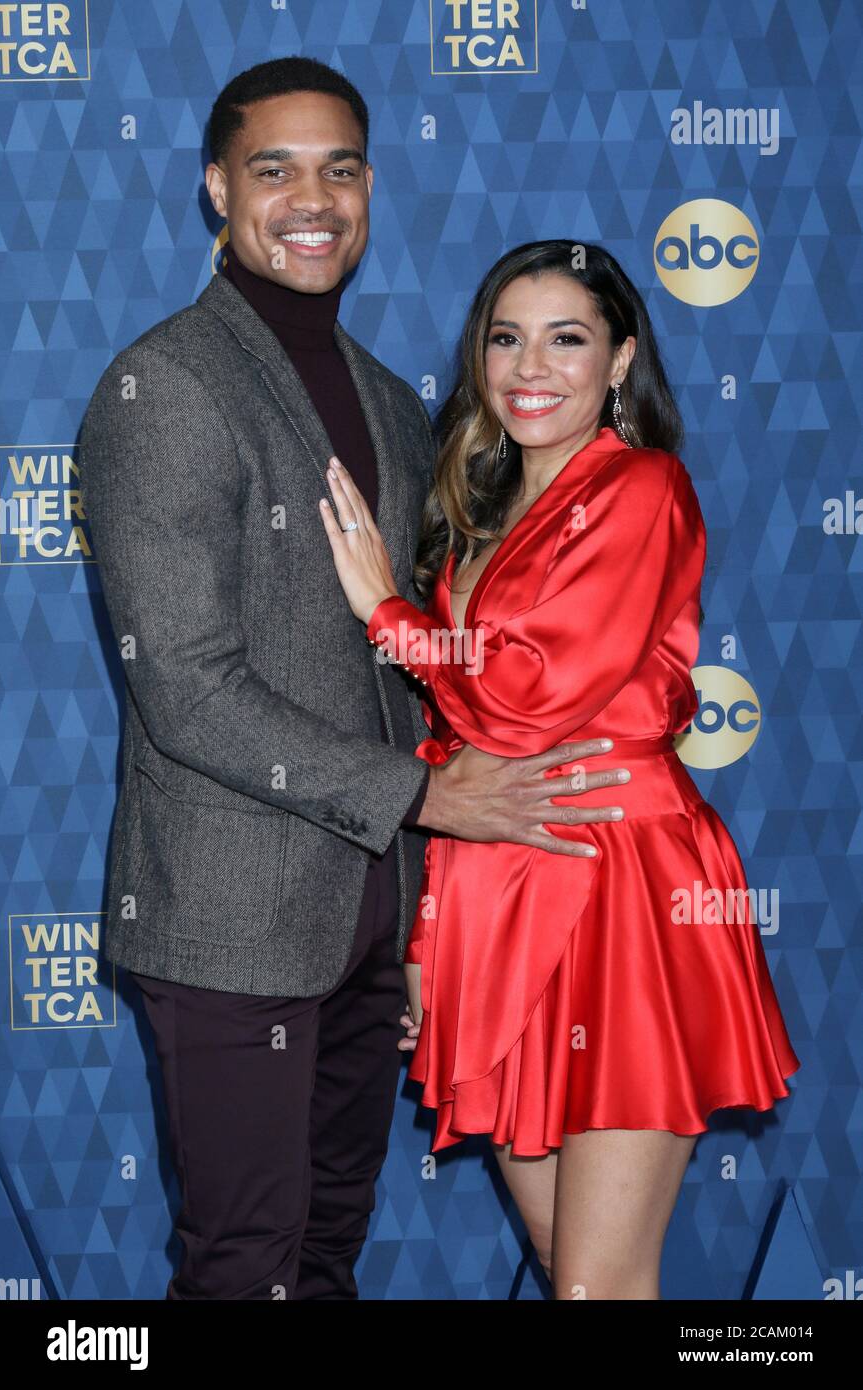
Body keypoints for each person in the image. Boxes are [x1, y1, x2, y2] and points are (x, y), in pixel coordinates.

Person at [78, 60, 630, 1302]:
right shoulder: (162, 387)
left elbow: (412, 675)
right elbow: (186, 685)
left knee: (324, 1257)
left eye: (338, 167)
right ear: (218, 187)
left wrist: (421, 918)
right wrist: (430, 801)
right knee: (247, 1269)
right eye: (272, 168)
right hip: (230, 922)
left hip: (370, 926)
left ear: (371, 187)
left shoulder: (392, 400)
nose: (309, 197)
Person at [320, 238, 802, 1301]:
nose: (529, 367)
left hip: (622, 888)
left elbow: (531, 691)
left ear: (620, 359)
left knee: (594, 1283)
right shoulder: (472, 525)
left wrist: (387, 617)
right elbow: (455, 753)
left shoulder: (640, 488)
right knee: (566, 1271)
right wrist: (429, 954)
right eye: (505, 338)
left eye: (567, 338)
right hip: (499, 893)